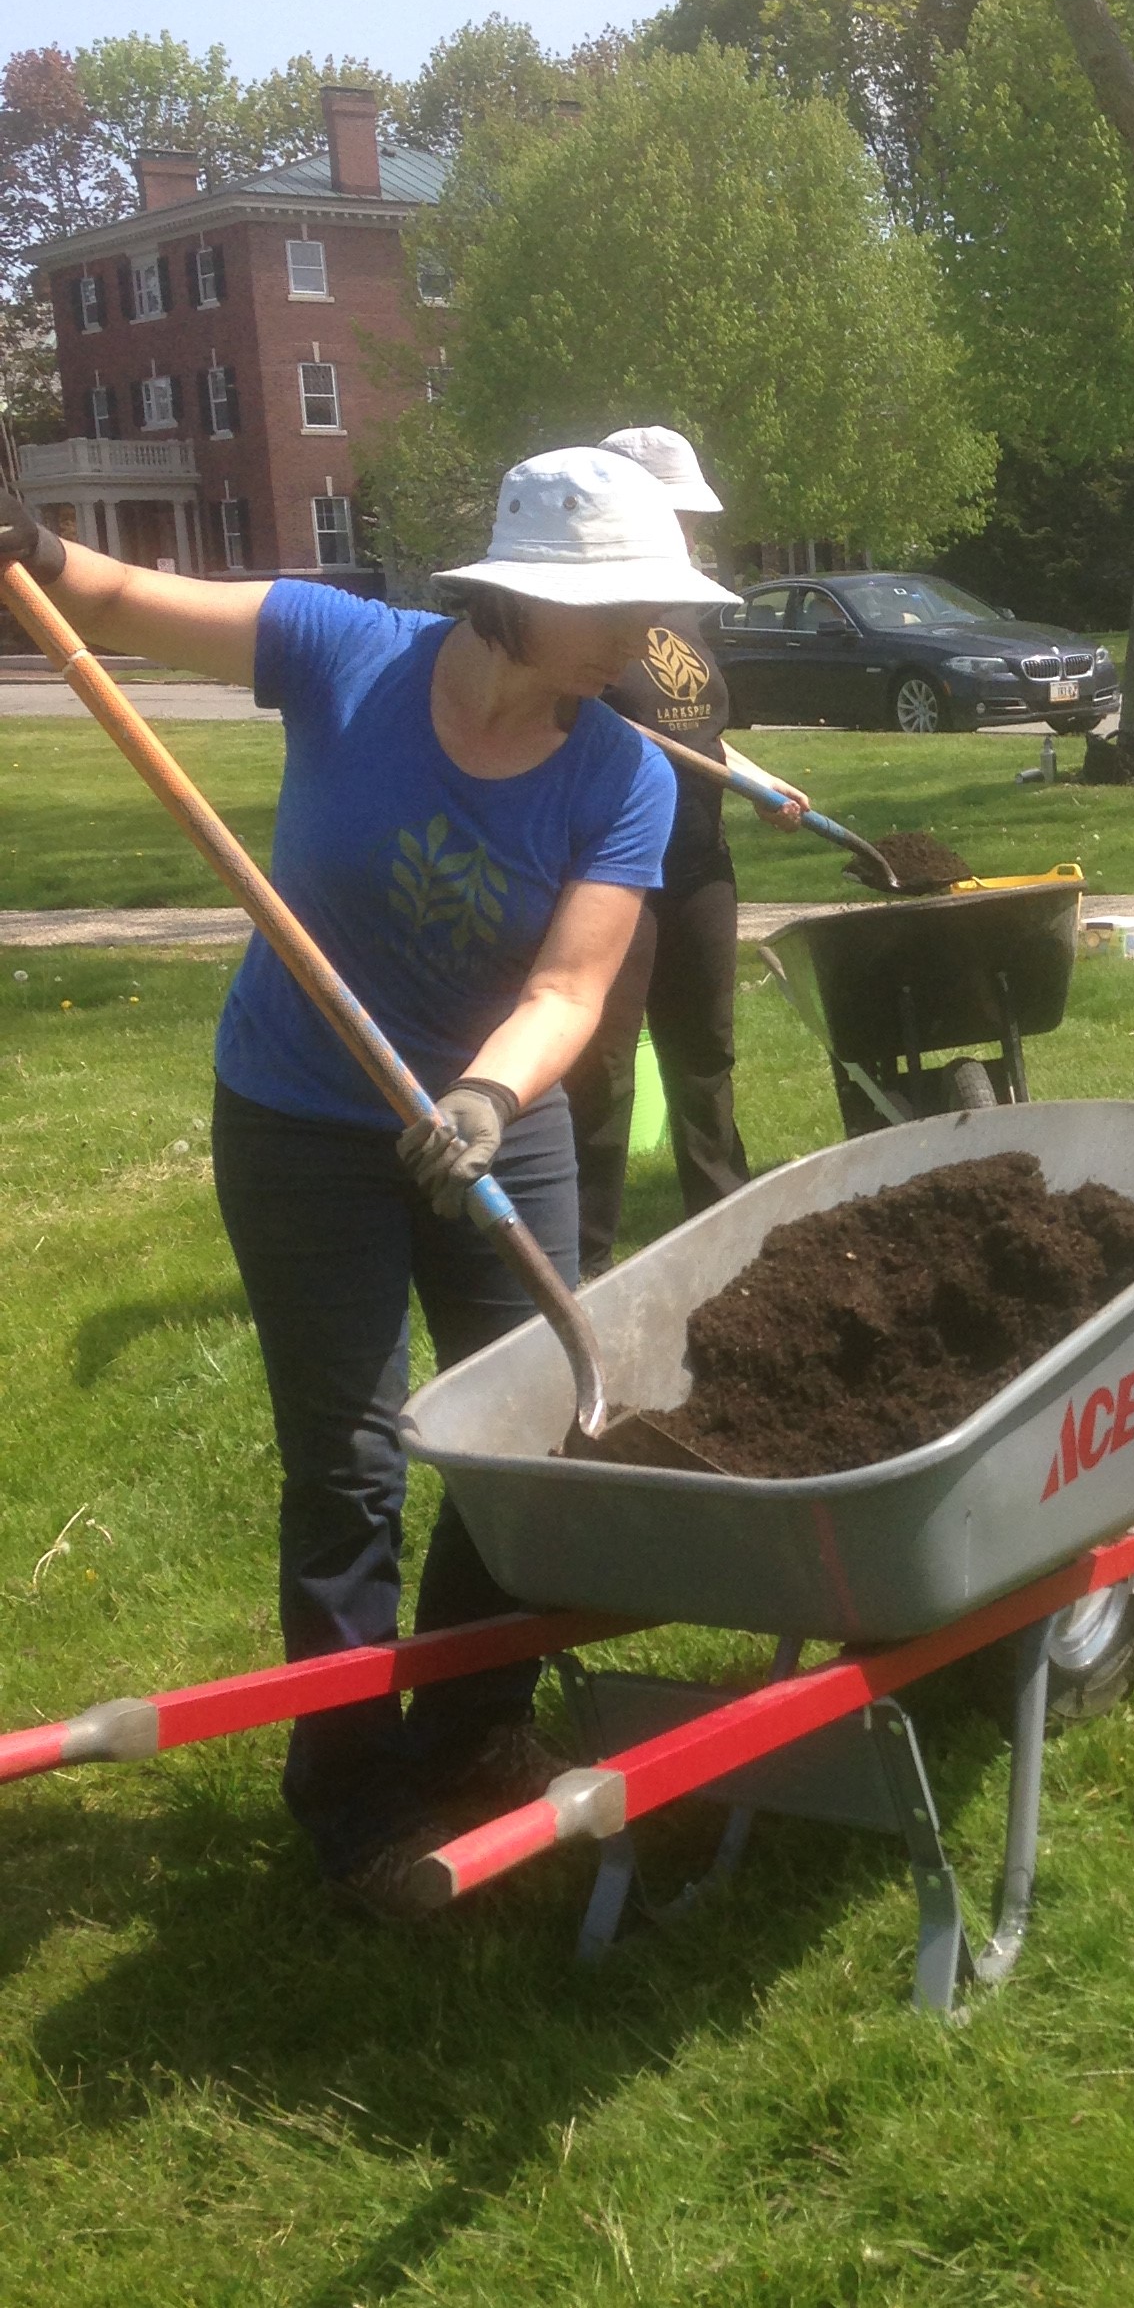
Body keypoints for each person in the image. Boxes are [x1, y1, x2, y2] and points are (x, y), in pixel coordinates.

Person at [0, 449, 731, 1917]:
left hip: (490, 1118)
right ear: (523, 598)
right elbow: (135, 596)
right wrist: (34, 550)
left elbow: (573, 983)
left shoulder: (624, 770)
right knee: (347, 1465)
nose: (653, 638)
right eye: (621, 606)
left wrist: (485, 1092)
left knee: (523, 1437)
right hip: (300, 1119)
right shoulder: (349, 654)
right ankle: (346, 1792)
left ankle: (470, 1725)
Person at [562, 426, 756, 1274]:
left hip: (702, 859)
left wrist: (757, 780)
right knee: (602, 1073)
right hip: (617, 870)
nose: (688, 527)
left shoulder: (689, 605)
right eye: (673, 510)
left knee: (706, 1053)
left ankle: (730, 1234)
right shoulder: (582, 616)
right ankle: (583, 1263)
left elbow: (701, 732)